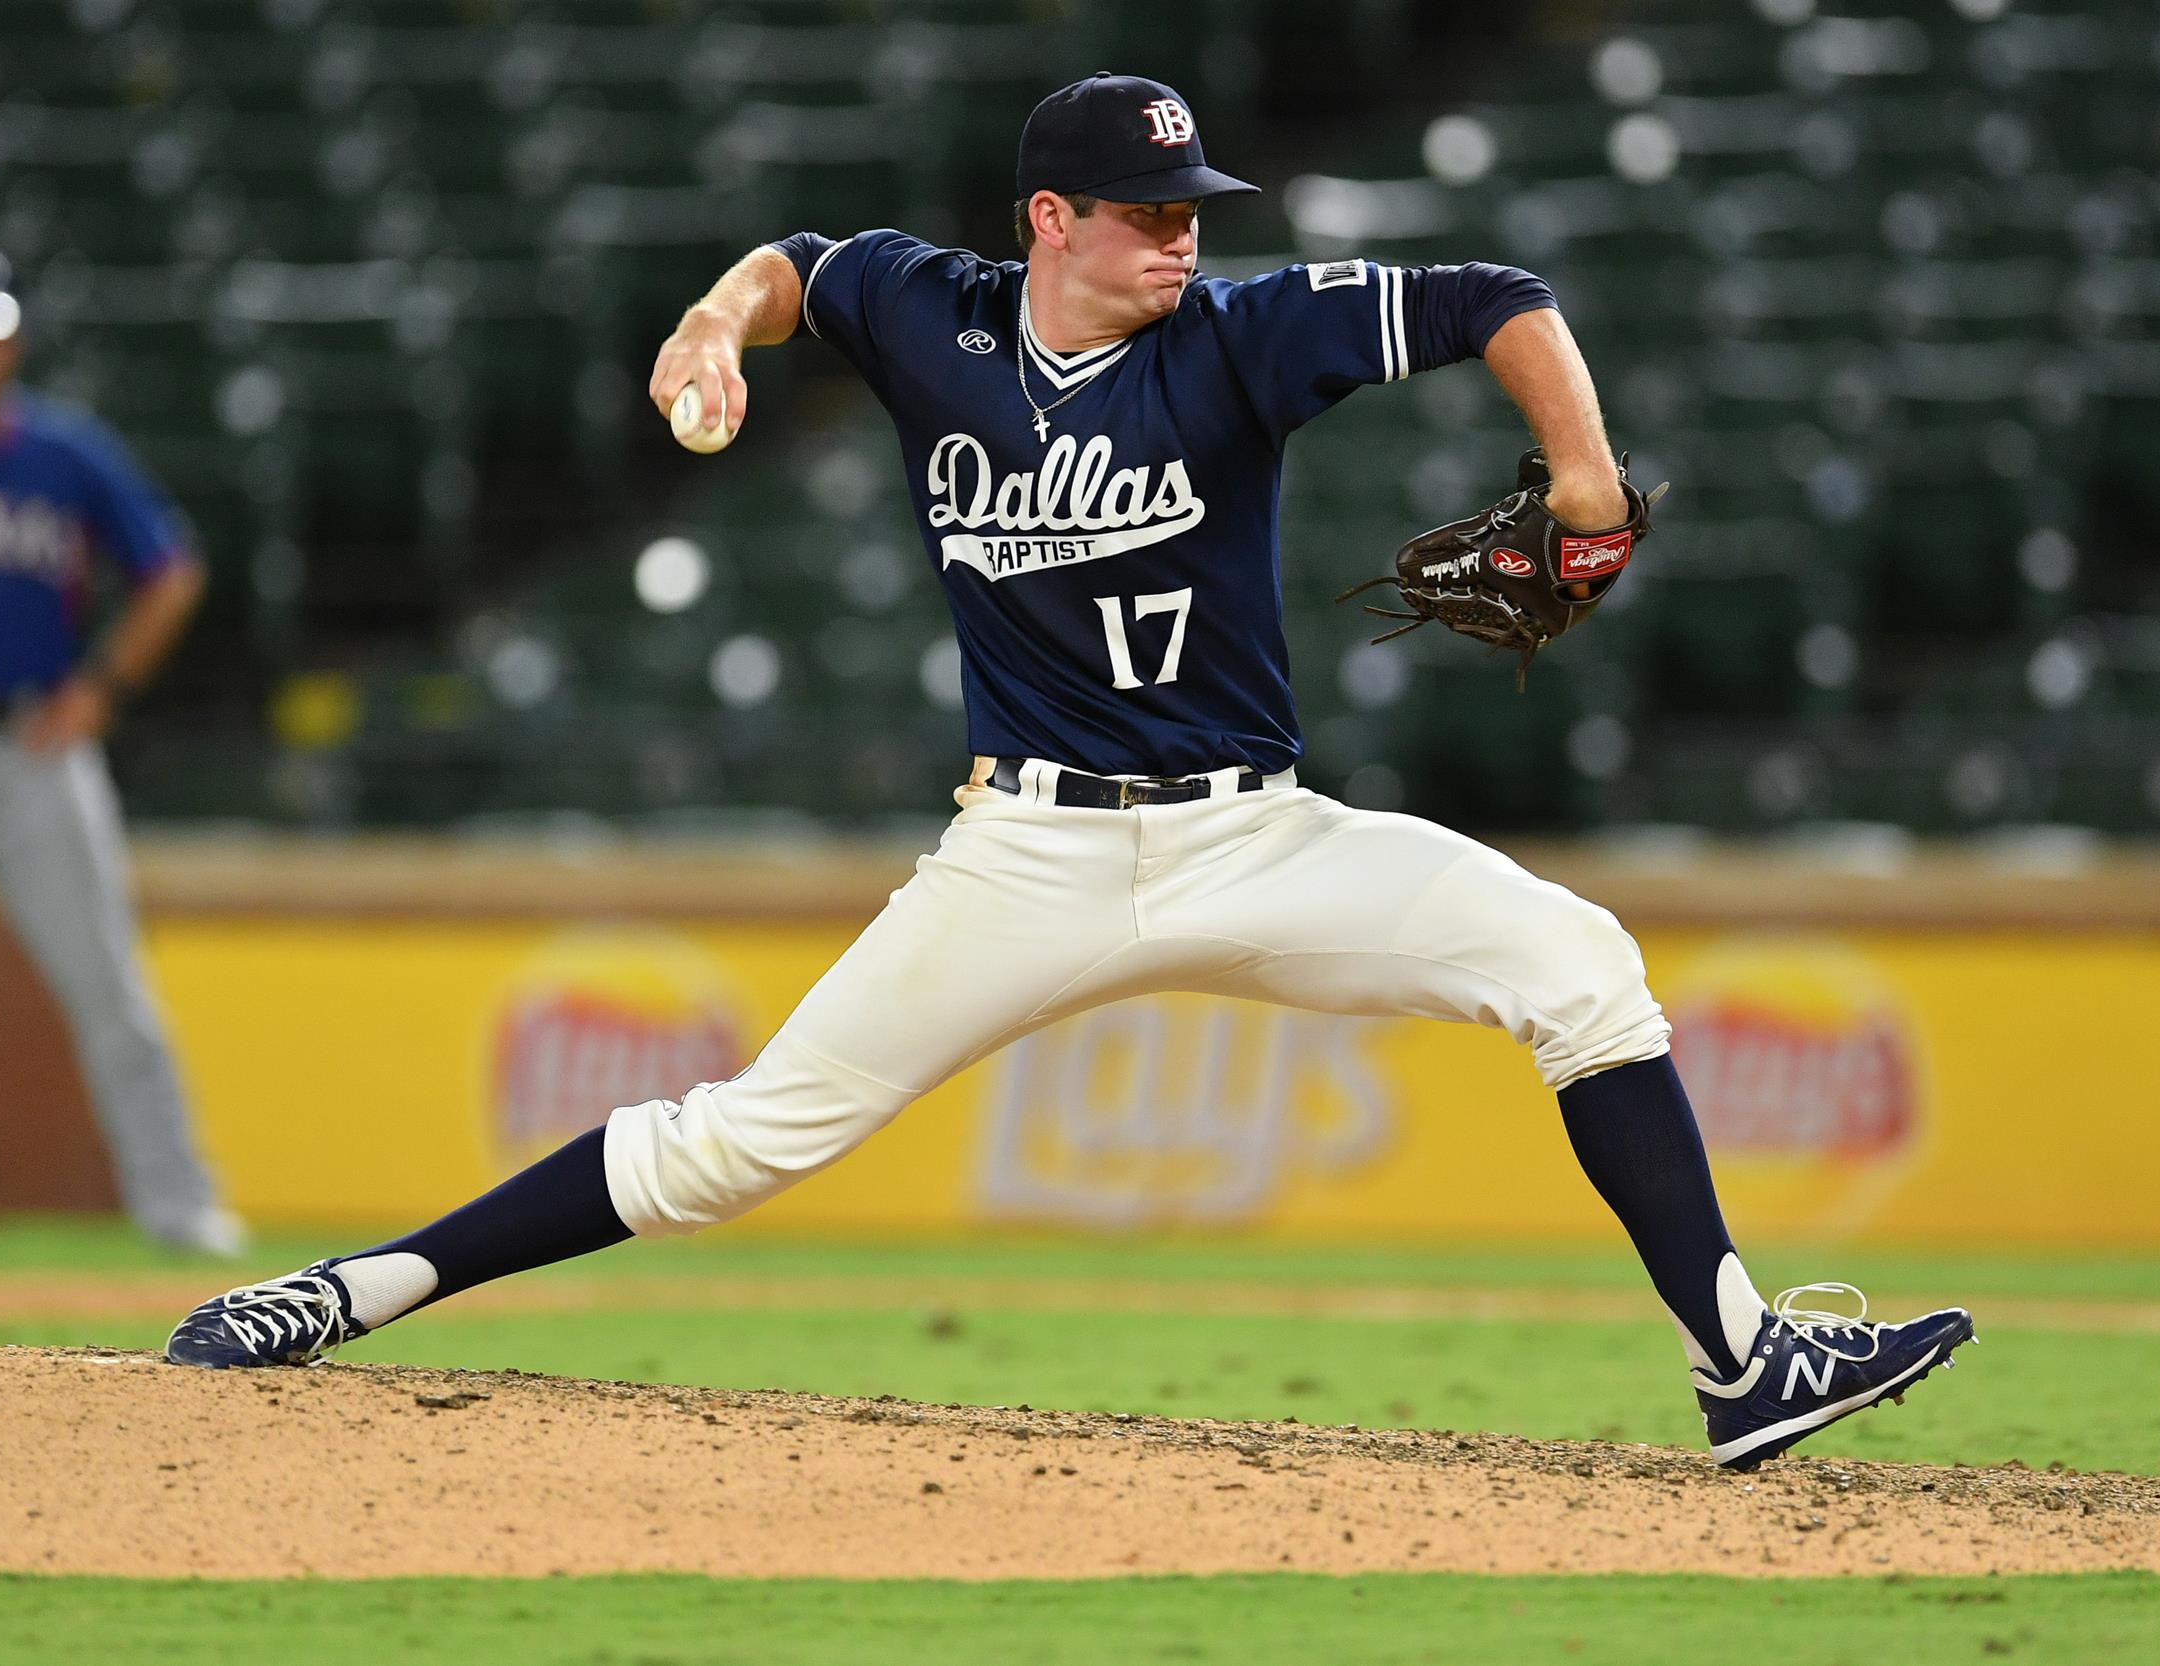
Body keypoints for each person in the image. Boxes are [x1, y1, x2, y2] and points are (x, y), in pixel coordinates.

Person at [164, 76, 1970, 1469]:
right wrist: (713, 322)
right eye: (1146, 212)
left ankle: (1740, 1362)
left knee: (1577, 963)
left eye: (1193, 210)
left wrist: (1581, 476)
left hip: (1254, 837)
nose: (1182, 238)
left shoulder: (1241, 335)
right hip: (1024, 854)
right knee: (735, 1146)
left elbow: (1501, 295)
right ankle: (353, 1288)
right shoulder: (928, 312)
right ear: (1050, 218)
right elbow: (796, 269)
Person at [0, 239, 244, 1257]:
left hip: (36, 749)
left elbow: (171, 570)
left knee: (112, 989)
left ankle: (181, 1205)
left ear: (14, 342)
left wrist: (101, 686)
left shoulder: (65, 453)